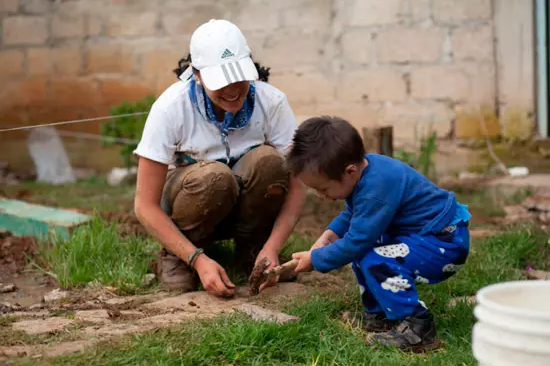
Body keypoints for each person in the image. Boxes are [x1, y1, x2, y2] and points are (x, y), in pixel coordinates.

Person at [133, 19, 305, 298]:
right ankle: (179, 254)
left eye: (238, 76)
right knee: (214, 177)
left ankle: (254, 249)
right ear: (197, 75)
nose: (232, 89)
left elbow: (298, 184)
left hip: (246, 209)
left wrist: (272, 247)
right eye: (220, 81)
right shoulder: (171, 108)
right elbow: (144, 205)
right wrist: (196, 260)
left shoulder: (271, 102)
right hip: (193, 203)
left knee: (270, 163)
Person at [287, 116, 471, 352]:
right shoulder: (366, 172)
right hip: (424, 236)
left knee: (375, 258)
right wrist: (328, 237)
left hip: (442, 242)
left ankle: (418, 327)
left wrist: (316, 259)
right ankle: (383, 315)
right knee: (366, 254)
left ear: (350, 171)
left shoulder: (377, 187)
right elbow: (353, 216)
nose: (321, 196)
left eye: (323, 189)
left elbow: (356, 241)